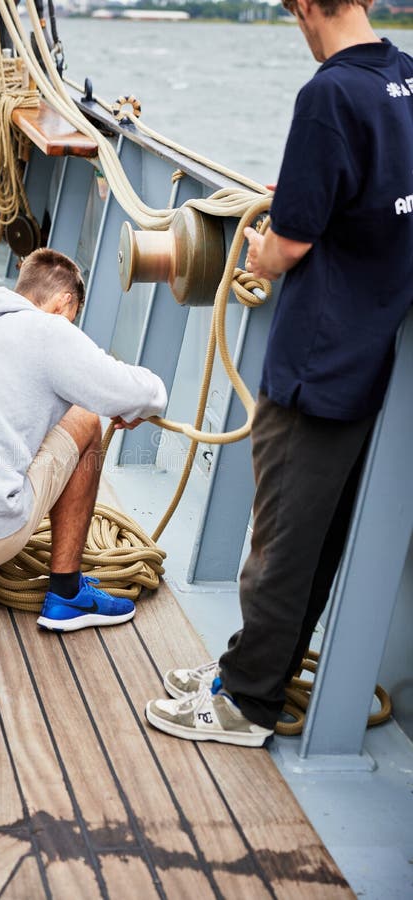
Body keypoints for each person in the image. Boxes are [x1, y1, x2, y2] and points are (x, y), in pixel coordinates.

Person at [145, 0, 413, 747]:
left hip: (316, 359)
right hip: (368, 352)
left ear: (301, 7)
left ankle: (247, 705)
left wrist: (260, 251)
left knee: (280, 544)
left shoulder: (328, 94)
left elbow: (287, 245)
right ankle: (252, 669)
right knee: (315, 541)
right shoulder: (405, 77)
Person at [0, 248, 167, 660]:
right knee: (86, 419)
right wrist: (154, 398)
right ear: (65, 304)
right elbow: (131, 391)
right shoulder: (49, 331)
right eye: (73, 317)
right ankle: (67, 594)